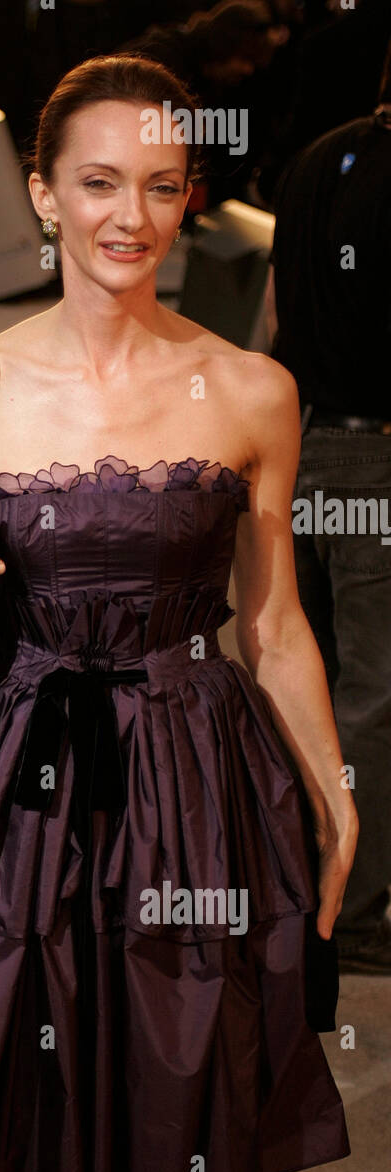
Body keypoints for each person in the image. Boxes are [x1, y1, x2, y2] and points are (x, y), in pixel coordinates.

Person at [0, 54, 355, 1172]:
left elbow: (275, 622)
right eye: (98, 182)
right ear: (41, 194)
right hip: (13, 787)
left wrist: (334, 791)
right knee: (18, 1115)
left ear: (192, 199)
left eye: (163, 185)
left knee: (168, 1118)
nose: (130, 216)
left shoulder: (256, 390)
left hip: (194, 780)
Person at [267, 39, 391, 971]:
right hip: (376, 457)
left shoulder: (320, 156)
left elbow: (273, 303)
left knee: (307, 673)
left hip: (302, 438)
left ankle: (291, 883)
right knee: (373, 691)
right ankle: (350, 912)